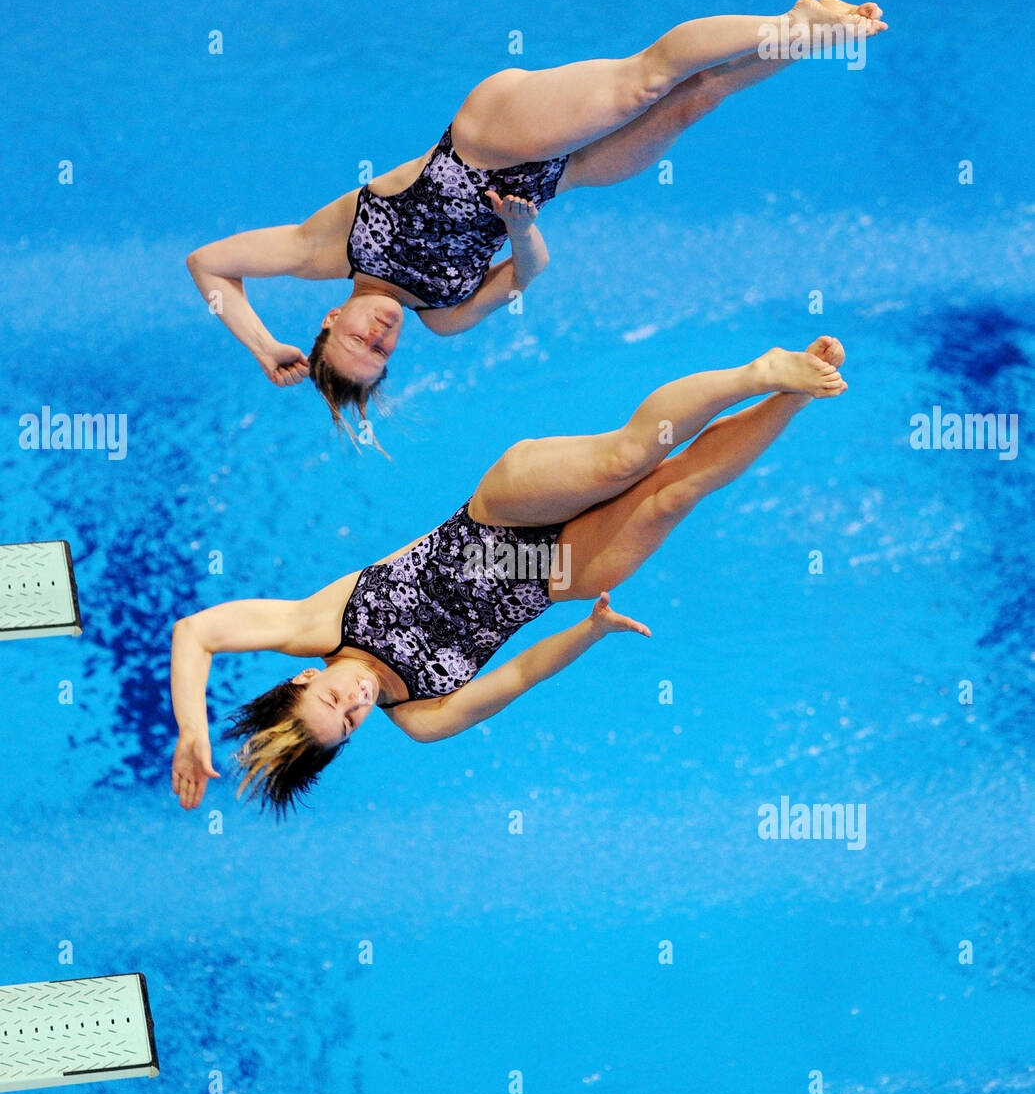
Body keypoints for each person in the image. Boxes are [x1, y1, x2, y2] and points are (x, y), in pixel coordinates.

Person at [170, 337, 847, 815]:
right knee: (672, 494)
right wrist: (591, 630)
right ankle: (793, 395)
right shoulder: (419, 718)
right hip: (551, 574)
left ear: (306, 678)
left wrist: (193, 730)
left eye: (331, 701)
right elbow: (519, 676)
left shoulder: (317, 624)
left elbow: (196, 631)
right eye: (348, 725)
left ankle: (758, 373)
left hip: (496, 517)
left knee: (625, 460)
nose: (353, 704)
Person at [185, 0, 883, 432]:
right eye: (383, 353)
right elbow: (529, 274)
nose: (380, 335)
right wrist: (521, 231)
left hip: (489, 138)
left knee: (643, 79)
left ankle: (791, 21)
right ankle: (806, 41)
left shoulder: (327, 251)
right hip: (562, 176)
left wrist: (262, 345)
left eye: (357, 339)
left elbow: (208, 263)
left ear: (329, 319)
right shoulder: (444, 314)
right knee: (696, 98)